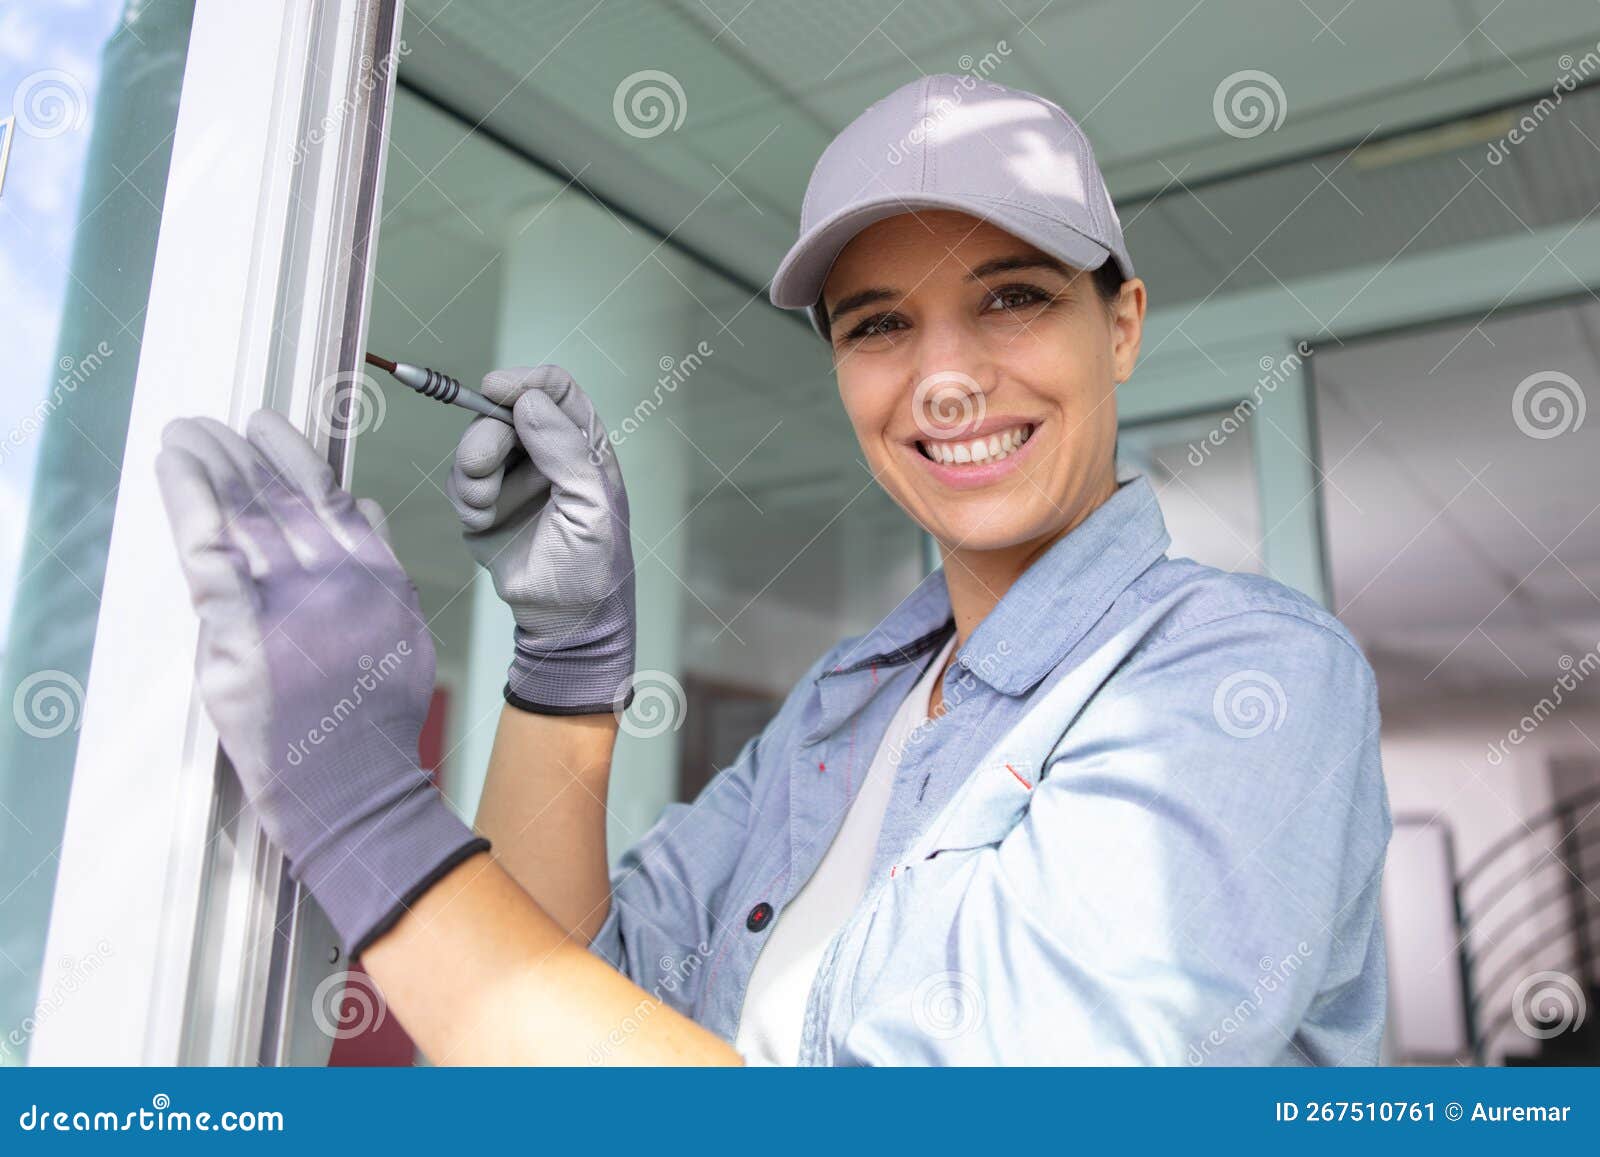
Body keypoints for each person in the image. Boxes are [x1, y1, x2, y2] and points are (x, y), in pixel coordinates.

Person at [154, 74, 1391, 1066]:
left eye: (1010, 297)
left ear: (1118, 325)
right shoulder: (849, 702)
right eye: (879, 323)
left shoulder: (1248, 677)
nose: (944, 376)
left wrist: (363, 810)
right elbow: (566, 1002)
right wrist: (566, 673)